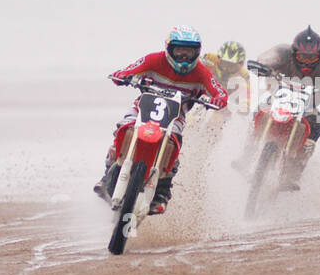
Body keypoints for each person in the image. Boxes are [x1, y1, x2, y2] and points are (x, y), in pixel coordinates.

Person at [93, 26, 228, 214]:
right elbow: (129, 69)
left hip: (176, 115)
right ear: (169, 48)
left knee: (173, 143)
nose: (183, 56)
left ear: (197, 52)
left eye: (188, 51)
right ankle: (107, 173)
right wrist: (122, 76)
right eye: (179, 50)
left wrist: (218, 100)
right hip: (143, 107)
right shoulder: (153, 59)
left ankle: (162, 192)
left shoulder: (201, 72)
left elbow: (219, 91)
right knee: (124, 128)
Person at [251, 25, 320, 190]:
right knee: (258, 110)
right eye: (302, 57)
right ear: (294, 53)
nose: (306, 61)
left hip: (308, 104)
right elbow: (263, 60)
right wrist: (260, 66)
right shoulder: (282, 52)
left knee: (316, 126)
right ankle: (248, 151)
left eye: (311, 59)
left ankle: (292, 174)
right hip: (278, 97)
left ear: (319, 56)